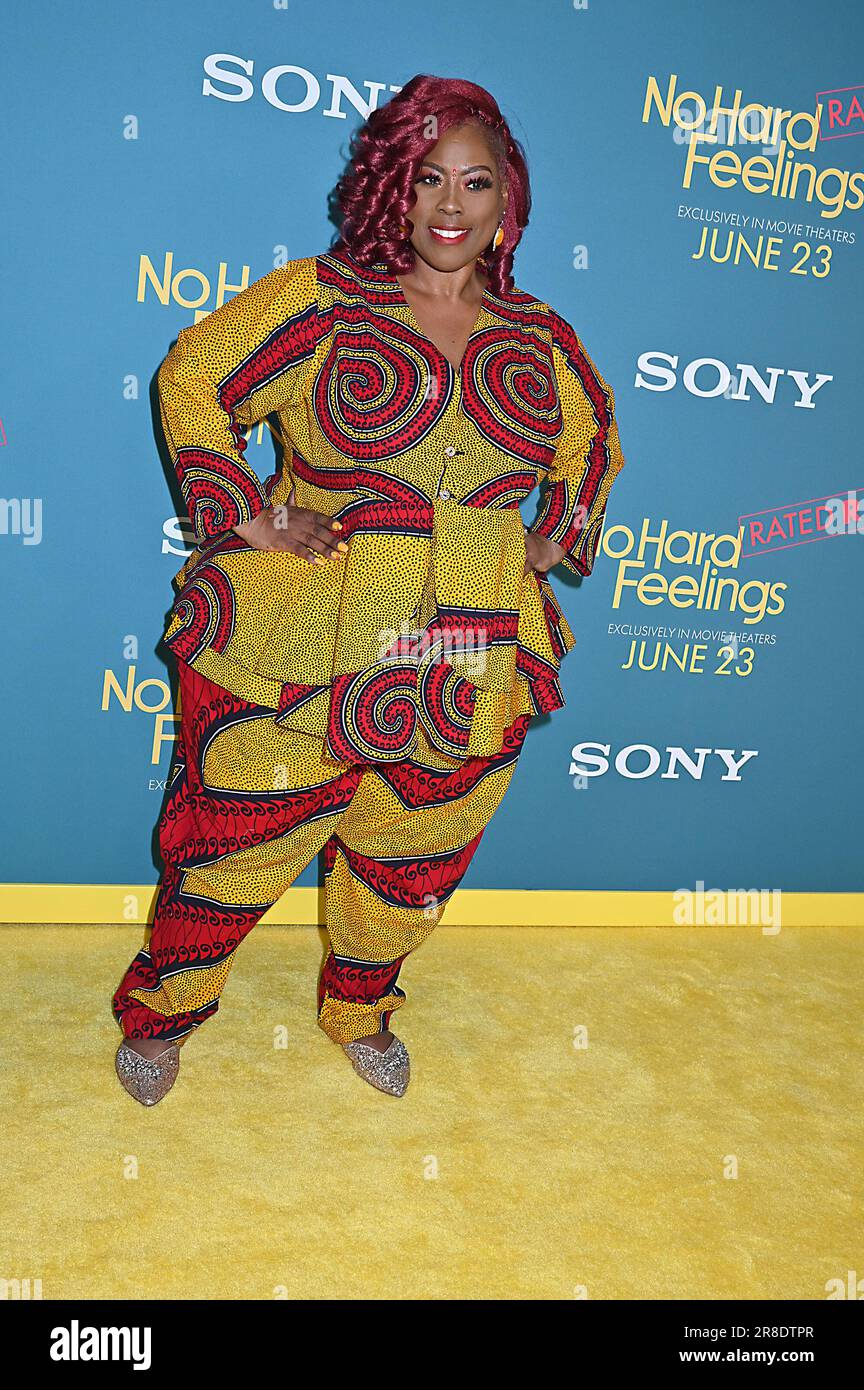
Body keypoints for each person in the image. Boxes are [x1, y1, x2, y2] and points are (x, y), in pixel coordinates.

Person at [113, 73, 626, 1104]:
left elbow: (595, 434)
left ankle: (360, 1007)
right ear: (391, 184)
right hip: (311, 631)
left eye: (476, 183)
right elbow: (193, 378)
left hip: (463, 642)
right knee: (235, 838)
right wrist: (246, 514)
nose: (450, 206)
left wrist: (546, 539)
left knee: (412, 851)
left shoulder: (541, 337)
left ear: (506, 200)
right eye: (427, 178)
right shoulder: (321, 299)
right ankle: (163, 1011)